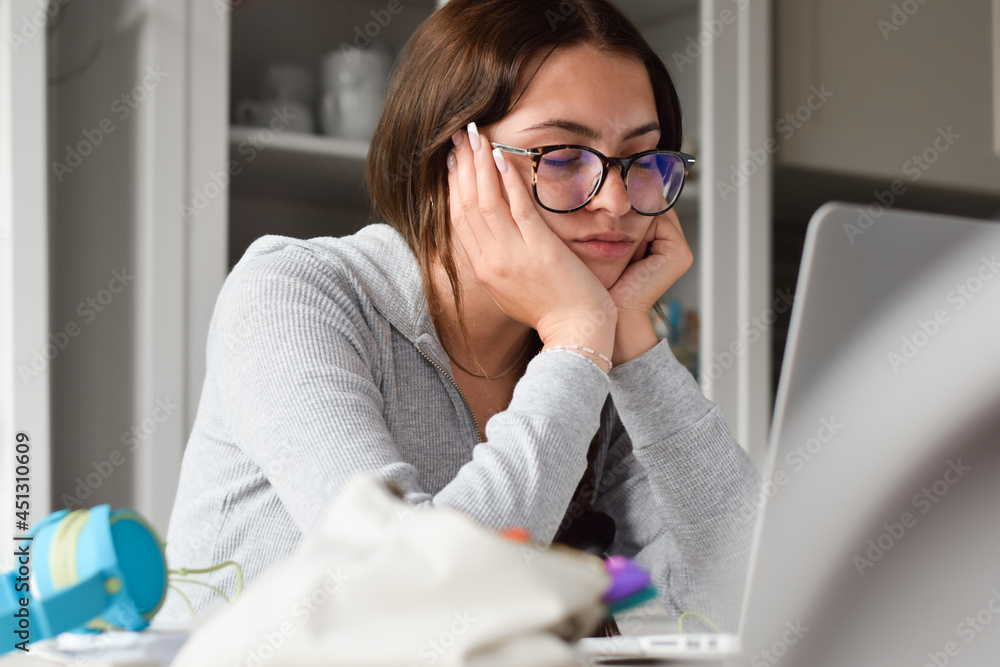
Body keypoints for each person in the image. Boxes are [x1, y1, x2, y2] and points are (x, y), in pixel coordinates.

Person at [159, 0, 761, 634]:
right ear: (453, 161)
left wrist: (631, 339)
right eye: (560, 158)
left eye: (641, 161)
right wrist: (579, 343)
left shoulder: (582, 356)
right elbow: (409, 600)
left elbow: (755, 599)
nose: (615, 203)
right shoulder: (293, 293)